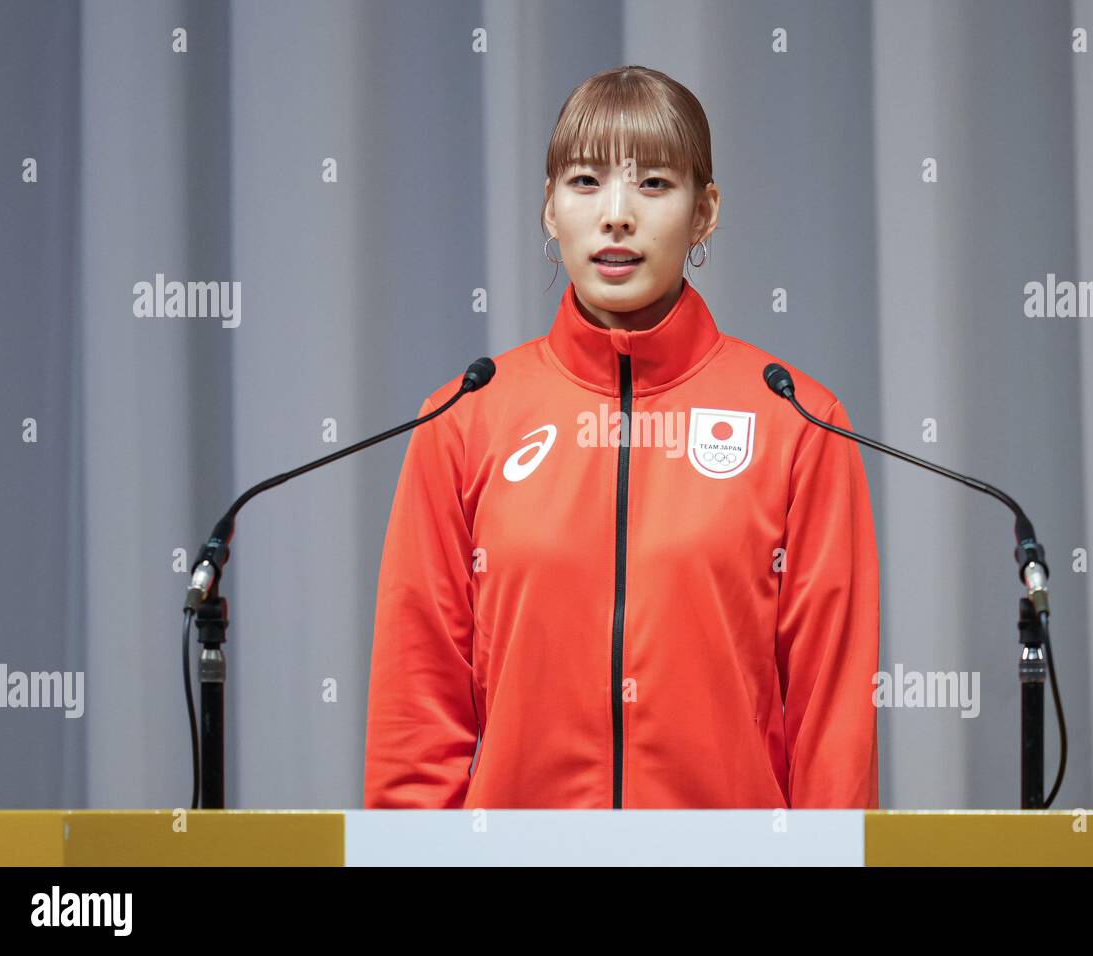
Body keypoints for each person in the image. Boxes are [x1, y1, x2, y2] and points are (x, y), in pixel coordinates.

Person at [364, 65, 879, 809]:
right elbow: (416, 713)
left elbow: (833, 727)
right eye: (584, 181)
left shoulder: (798, 421)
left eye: (654, 185)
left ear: (705, 213)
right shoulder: (463, 418)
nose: (615, 215)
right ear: (548, 209)